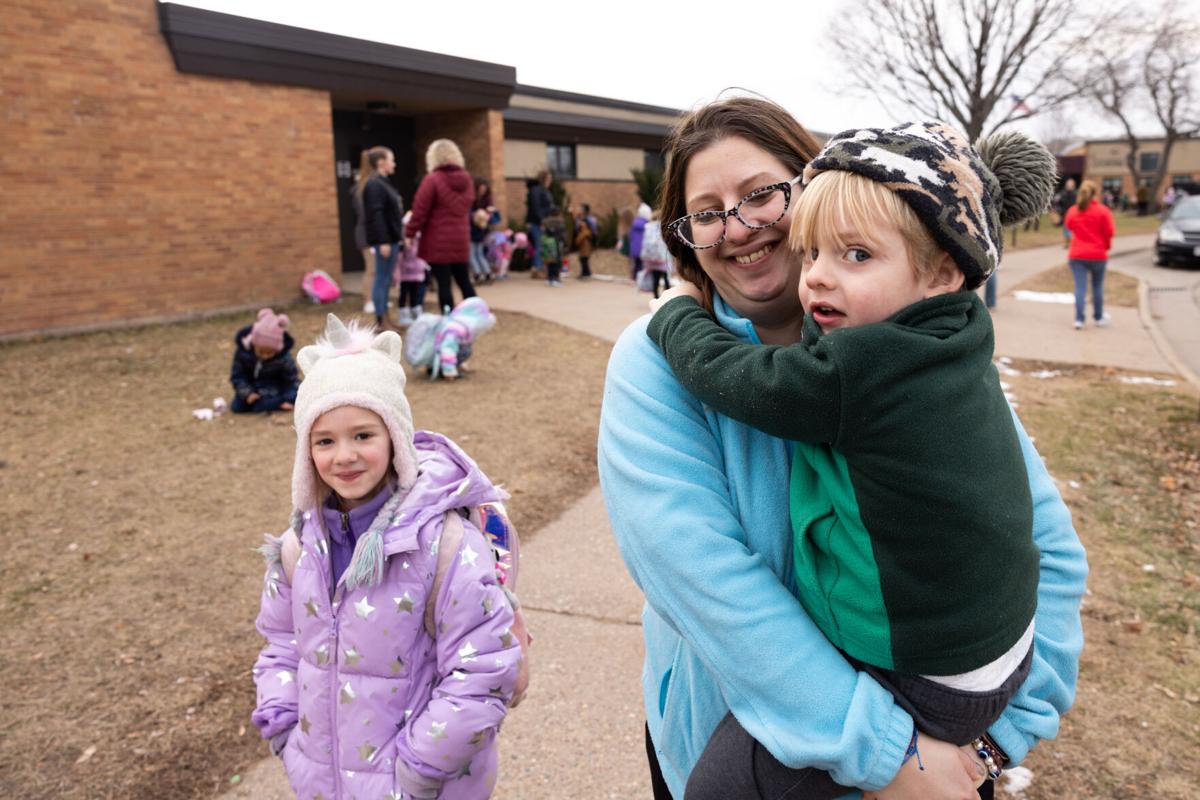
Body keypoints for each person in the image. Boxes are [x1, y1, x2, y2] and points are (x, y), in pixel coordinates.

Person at [597, 96, 1088, 800]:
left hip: (943, 747)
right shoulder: (650, 365)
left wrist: (992, 742)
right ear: (688, 238)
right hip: (750, 742)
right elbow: (709, 586)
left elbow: (1047, 543)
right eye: (708, 211)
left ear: (822, 189)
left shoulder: (910, 347)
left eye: (763, 193)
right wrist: (888, 755)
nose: (739, 225)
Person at [250, 314, 523, 799]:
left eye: (363, 435)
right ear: (305, 453)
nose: (344, 456)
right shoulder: (300, 548)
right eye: (325, 441)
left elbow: (482, 669)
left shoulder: (444, 545)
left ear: (395, 437)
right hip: (322, 782)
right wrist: (283, 727)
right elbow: (280, 645)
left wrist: (417, 770)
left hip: (426, 786)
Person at [406, 139, 476, 314]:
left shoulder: (432, 180)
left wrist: (410, 233)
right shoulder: (467, 179)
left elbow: (419, 211)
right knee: (464, 281)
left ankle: (449, 319)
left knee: (444, 283)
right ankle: (477, 315)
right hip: (461, 238)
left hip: (438, 240)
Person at [360, 146, 406, 329]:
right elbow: (376, 215)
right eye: (391, 159)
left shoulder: (383, 183)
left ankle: (386, 318)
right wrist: (383, 241)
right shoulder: (375, 185)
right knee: (381, 279)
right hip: (385, 241)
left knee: (386, 280)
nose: (394, 164)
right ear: (381, 162)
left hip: (391, 239)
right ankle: (381, 321)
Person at [404, 296, 498, 381]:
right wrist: (449, 371)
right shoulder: (458, 328)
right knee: (466, 350)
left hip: (433, 350)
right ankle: (443, 370)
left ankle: (436, 366)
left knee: (463, 348)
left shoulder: (456, 322)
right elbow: (448, 348)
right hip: (437, 353)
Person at [1063, 180, 1115, 330]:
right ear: (1095, 194)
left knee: (1080, 287)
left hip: (1077, 254)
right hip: (1098, 254)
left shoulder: (1073, 210)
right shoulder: (1103, 211)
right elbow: (1109, 232)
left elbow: (1068, 226)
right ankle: (1098, 317)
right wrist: (1106, 246)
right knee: (1097, 287)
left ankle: (1079, 319)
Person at [230, 308, 299, 413]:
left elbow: (292, 380)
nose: (265, 356)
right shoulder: (243, 353)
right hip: (252, 388)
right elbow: (238, 376)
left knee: (264, 403)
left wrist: (290, 398)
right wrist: (247, 393)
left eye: (270, 353)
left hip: (274, 389)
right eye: (261, 352)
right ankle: (274, 405)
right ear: (254, 344)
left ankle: (278, 403)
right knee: (237, 406)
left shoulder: (284, 358)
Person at [351, 153, 378, 315]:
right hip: (367, 234)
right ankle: (368, 300)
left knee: (376, 270)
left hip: (372, 233)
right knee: (371, 268)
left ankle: (374, 297)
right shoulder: (361, 188)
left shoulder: (368, 185)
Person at [396, 211, 430, 326]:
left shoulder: (421, 238)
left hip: (418, 270)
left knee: (416, 292)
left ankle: (415, 311)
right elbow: (400, 256)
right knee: (404, 293)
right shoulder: (403, 240)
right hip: (406, 272)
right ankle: (403, 314)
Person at [639, 209, 673, 299]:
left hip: (651, 258)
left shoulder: (647, 227)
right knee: (666, 277)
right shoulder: (663, 226)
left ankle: (656, 297)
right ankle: (668, 296)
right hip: (663, 256)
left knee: (655, 278)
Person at [525, 171, 553, 276]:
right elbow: (536, 208)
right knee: (539, 245)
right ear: (543, 179)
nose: (550, 181)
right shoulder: (537, 190)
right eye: (548, 179)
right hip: (537, 222)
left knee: (542, 245)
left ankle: (540, 267)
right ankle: (537, 268)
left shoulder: (544, 191)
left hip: (543, 222)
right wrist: (542, 221)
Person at [539, 206, 567, 286]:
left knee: (549, 261)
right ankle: (555, 278)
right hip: (557, 243)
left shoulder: (545, 221)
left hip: (547, 243)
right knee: (556, 261)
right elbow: (563, 234)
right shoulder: (560, 221)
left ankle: (549, 278)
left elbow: (542, 232)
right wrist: (566, 244)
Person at [470, 207, 493, 284]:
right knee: (480, 256)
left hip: (472, 241)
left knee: (472, 257)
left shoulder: (473, 224)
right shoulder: (484, 224)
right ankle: (488, 272)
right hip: (480, 241)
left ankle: (478, 273)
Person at [629, 202, 651, 280]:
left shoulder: (634, 223)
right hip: (642, 248)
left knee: (636, 264)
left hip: (634, 248)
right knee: (641, 264)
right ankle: (640, 279)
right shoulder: (647, 225)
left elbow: (630, 235)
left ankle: (634, 277)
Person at [573, 204, 596, 279]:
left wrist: (579, 238)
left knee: (584, 258)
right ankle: (585, 272)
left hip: (585, 241)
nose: (577, 210)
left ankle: (585, 273)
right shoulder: (580, 219)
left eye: (579, 209)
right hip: (582, 241)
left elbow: (588, 232)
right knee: (582, 258)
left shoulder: (586, 220)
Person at [1057, 179, 1077, 249]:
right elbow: (1059, 203)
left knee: (1070, 230)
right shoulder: (1063, 193)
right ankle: (1066, 243)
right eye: (1068, 184)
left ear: (1073, 185)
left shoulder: (1075, 194)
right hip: (1064, 214)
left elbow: (1075, 204)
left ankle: (1071, 243)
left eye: (1070, 184)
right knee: (1065, 229)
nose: (1069, 186)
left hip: (1073, 214)